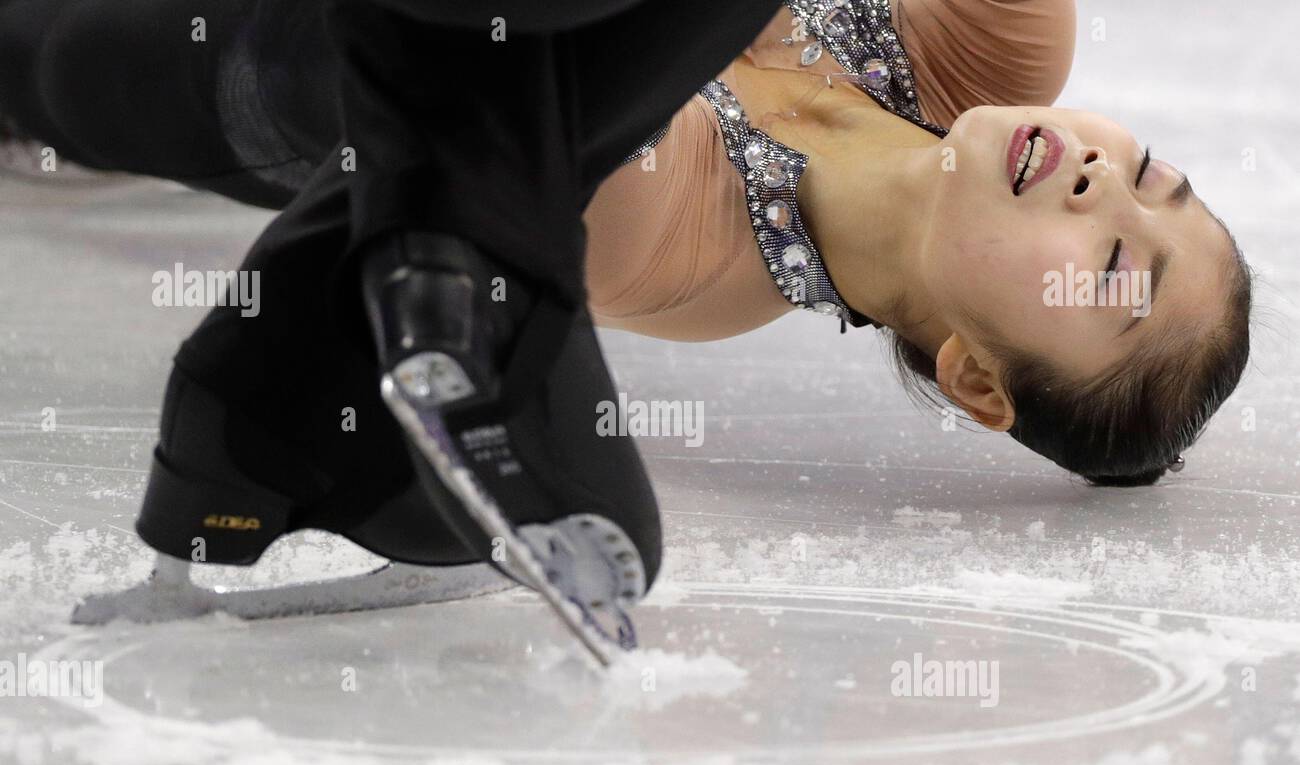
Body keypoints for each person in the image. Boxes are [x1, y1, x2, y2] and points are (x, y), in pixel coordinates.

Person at [0, 0, 1251, 647]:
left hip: (254, 61)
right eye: (1157, 182)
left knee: (41, 62)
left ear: (978, 379)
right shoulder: (999, 41)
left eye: (1111, 274)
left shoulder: (666, 233)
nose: (1109, 189)